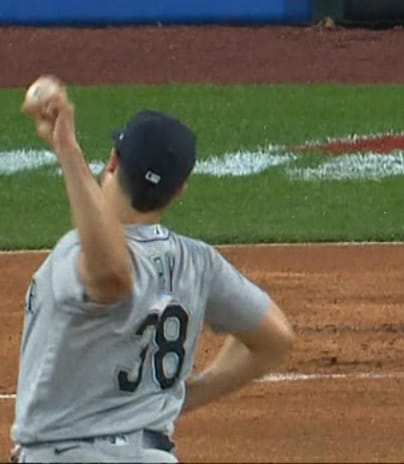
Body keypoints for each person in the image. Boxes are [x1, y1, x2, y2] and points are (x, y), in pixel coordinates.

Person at [9, 83, 295, 464]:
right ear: (178, 191)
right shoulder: (199, 263)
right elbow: (276, 338)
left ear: (112, 161)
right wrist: (176, 400)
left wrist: (68, 150)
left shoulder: (77, 255)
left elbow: (113, 277)